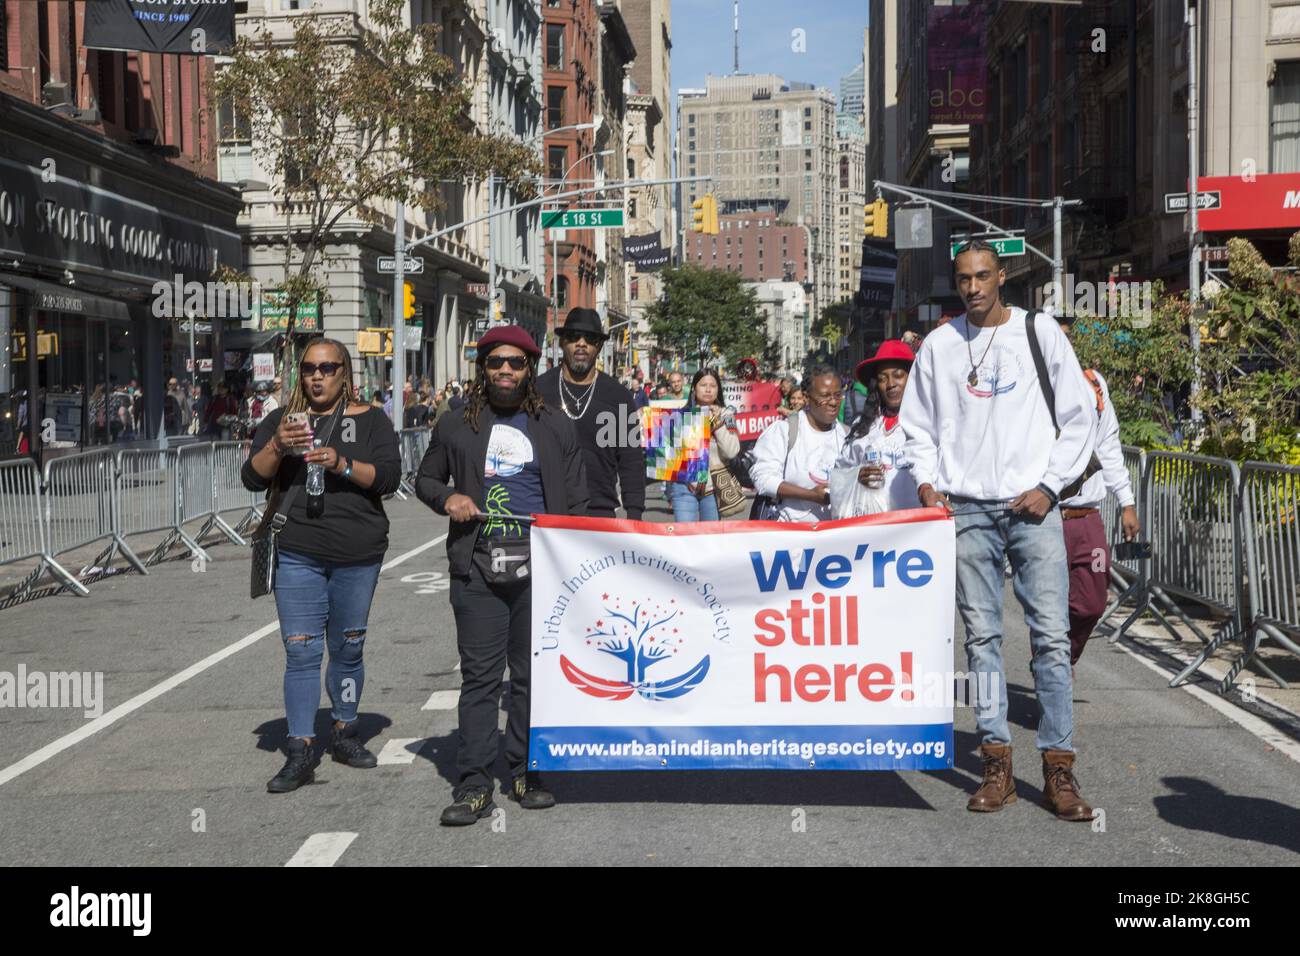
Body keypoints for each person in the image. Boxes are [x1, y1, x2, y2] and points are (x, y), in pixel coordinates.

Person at [899, 240, 1098, 820]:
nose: (973, 288)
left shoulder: (1039, 333)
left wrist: (1051, 486)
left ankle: (1059, 769)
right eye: (964, 278)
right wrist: (930, 486)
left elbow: (1078, 417)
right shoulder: (939, 344)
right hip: (966, 510)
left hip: (1032, 509)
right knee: (982, 639)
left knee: (1051, 639)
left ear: (1002, 276)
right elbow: (919, 427)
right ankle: (997, 765)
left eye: (983, 276)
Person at [415, 324, 588, 826]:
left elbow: (576, 500)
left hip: (543, 571)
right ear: (483, 368)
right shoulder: (456, 424)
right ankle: (473, 784)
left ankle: (523, 770)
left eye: (515, 363)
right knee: (481, 680)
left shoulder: (554, 424)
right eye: (496, 363)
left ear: (529, 368)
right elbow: (425, 477)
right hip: (476, 569)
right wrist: (448, 497)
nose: (506, 371)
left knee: (531, 679)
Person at [242, 337, 402, 794]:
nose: (317, 375)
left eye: (328, 368)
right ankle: (300, 750)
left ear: (344, 374)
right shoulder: (283, 422)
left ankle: (346, 731)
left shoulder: (371, 420)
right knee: (301, 650)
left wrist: (342, 463)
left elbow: (389, 479)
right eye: (310, 368)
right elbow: (252, 478)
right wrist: (276, 445)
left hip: (358, 554)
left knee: (349, 646)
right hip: (298, 553)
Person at [1056, 317, 1140, 668]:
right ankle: (1052, 669)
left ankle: (1062, 658)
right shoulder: (1027, 390)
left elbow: (1109, 445)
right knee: (1047, 604)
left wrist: (1127, 502)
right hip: (1044, 520)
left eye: (1063, 338)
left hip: (1086, 517)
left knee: (1092, 601)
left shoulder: (1094, 385)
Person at [537, 307, 646, 521]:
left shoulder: (619, 396)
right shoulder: (538, 391)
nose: (581, 343)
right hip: (546, 510)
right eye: (574, 337)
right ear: (562, 343)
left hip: (600, 511)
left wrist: (634, 514)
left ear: (599, 346)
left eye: (590, 339)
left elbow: (631, 461)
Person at [749, 365, 847, 522]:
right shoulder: (785, 430)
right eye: (824, 396)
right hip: (791, 536)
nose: (833, 402)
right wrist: (811, 495)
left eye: (837, 395)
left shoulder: (847, 436)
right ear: (807, 397)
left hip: (835, 539)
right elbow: (763, 479)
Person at [835, 340, 918, 512]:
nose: (890, 384)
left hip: (918, 528)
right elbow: (838, 476)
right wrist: (856, 475)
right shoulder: (862, 427)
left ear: (913, 377)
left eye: (898, 375)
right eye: (882, 378)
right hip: (873, 530)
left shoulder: (929, 424)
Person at [664, 368, 741, 522]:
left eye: (712, 386)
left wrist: (717, 424)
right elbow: (669, 455)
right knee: (686, 538)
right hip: (683, 486)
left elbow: (731, 452)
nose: (708, 389)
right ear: (694, 388)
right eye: (703, 385)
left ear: (718, 389)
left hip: (714, 489)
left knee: (710, 540)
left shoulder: (727, 416)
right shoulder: (680, 415)